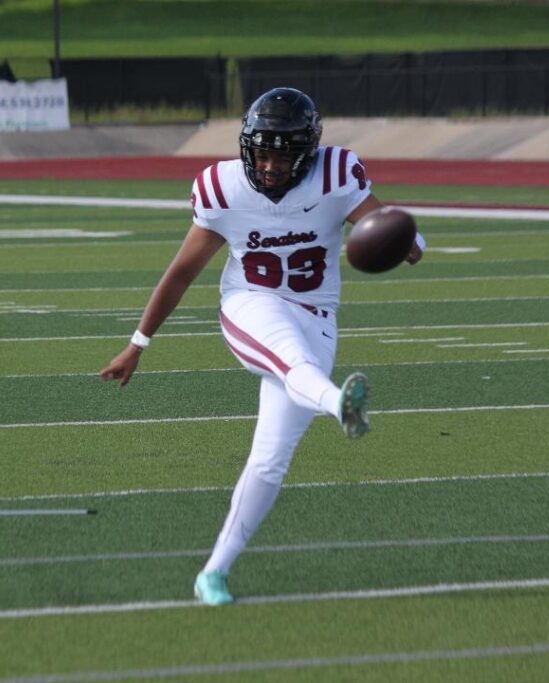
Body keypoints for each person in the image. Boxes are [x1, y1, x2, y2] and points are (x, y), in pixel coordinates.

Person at [100, 87, 425, 606]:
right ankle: (339, 403)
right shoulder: (222, 186)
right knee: (289, 359)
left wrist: (408, 243)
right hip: (249, 303)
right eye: (262, 152)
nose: (269, 165)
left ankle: (213, 573)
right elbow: (183, 271)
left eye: (282, 154)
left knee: (270, 460)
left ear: (308, 152)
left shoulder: (337, 173)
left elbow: (382, 226)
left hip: (316, 316)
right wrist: (138, 342)